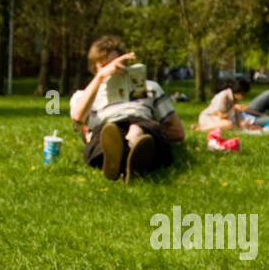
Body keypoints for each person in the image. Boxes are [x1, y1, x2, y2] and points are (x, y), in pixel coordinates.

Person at [69, 35, 184, 183]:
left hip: (143, 124)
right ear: (95, 68)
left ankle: (128, 151)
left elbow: (178, 132)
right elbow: (78, 118)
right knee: (109, 133)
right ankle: (129, 157)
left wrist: (148, 131)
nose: (111, 69)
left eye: (115, 63)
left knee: (141, 129)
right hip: (106, 129)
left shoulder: (150, 87)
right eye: (104, 66)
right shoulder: (84, 95)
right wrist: (100, 78)